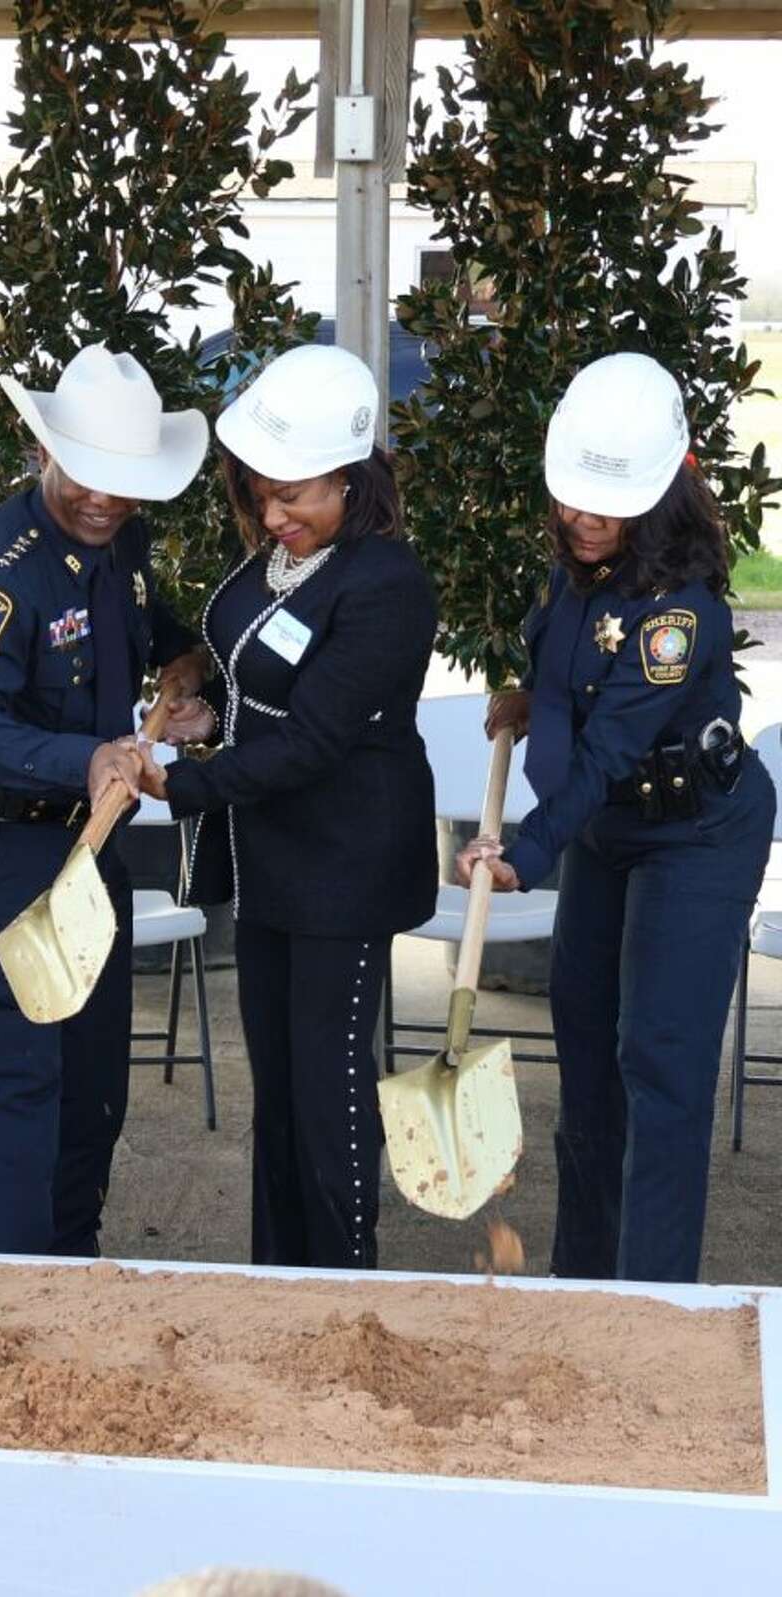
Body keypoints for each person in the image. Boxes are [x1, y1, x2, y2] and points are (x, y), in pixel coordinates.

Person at [455, 352, 774, 1284]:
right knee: (588, 1057)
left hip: (696, 838)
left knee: (661, 1067)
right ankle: (583, 1288)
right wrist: (528, 700)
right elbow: (566, 673)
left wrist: (525, 849)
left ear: (662, 492)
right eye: (572, 499)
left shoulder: (680, 613)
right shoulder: (574, 571)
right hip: (608, 833)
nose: (584, 517)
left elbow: (610, 749)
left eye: (608, 503)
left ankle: (651, 1304)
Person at [136, 342, 438, 1271]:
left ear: (352, 478)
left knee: (331, 1090)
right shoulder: (280, 558)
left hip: (345, 864)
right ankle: (280, 1275)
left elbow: (312, 739)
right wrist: (202, 702)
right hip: (271, 854)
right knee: (278, 1087)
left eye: (295, 496)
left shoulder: (386, 584)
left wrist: (182, 785)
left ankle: (344, 1284)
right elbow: (252, 676)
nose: (274, 515)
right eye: (261, 493)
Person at [0, 344, 209, 1257]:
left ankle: (71, 1303)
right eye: (84, 475)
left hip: (94, 860)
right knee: (13, 1122)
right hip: (1, 868)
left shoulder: (123, 540)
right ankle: (3, 1327)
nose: (100, 499)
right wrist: (85, 757)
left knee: (91, 1102)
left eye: (122, 484)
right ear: (44, 451)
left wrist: (186, 661)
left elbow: (145, 626)